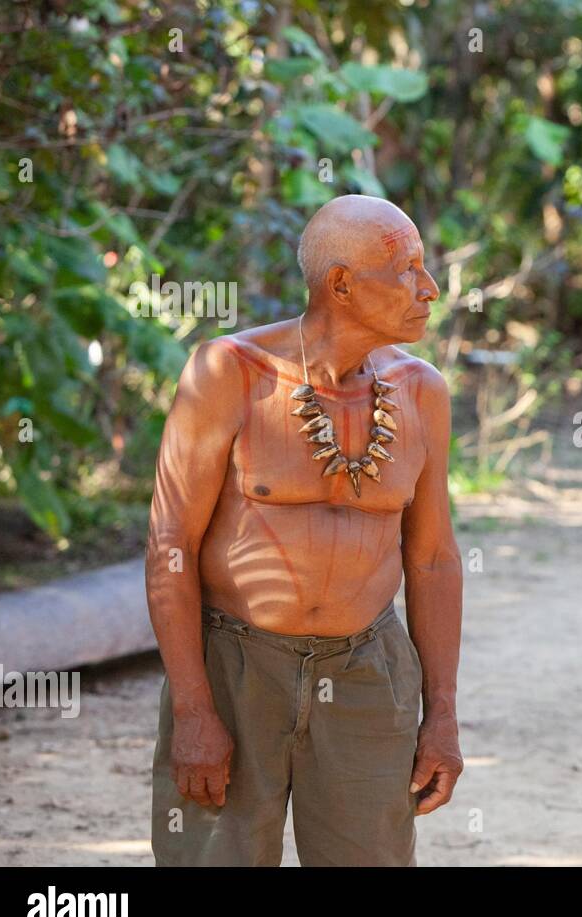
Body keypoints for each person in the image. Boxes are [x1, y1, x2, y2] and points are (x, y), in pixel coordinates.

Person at [146, 194, 463, 866]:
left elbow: (433, 559)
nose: (429, 289)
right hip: (235, 667)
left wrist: (442, 714)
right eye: (406, 270)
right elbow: (170, 546)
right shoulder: (229, 373)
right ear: (340, 284)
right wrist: (196, 710)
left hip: (366, 670)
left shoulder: (420, 392)